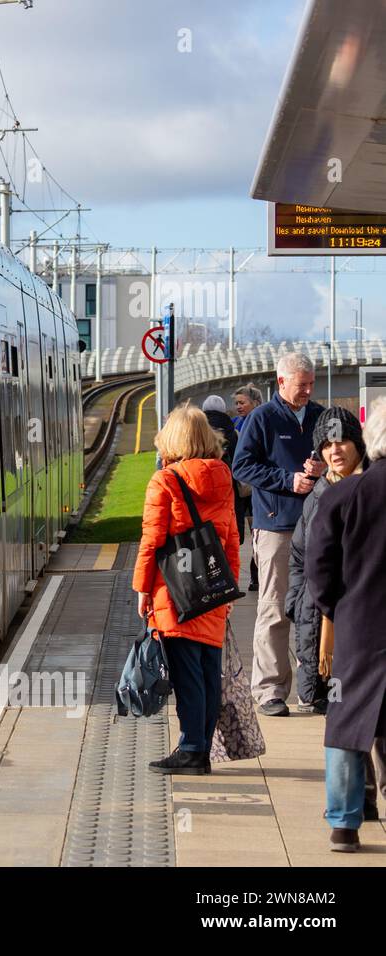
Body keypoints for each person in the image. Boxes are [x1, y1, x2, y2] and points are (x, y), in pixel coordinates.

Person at [134, 406, 240, 775]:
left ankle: (192, 749)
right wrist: (230, 587)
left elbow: (151, 542)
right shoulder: (223, 476)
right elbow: (231, 538)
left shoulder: (164, 481)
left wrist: (142, 590)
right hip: (213, 583)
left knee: (187, 674)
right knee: (207, 671)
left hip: (174, 589)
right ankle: (202, 747)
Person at [304, 397, 386, 852]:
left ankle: (343, 823)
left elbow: (318, 569)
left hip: (357, 627)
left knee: (345, 723)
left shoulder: (341, 495)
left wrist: (337, 608)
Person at [231, 352, 325, 716]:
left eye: (311, 384)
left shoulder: (320, 416)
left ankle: (313, 687)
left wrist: (322, 466)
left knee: (316, 609)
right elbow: (242, 465)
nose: (307, 390)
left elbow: (344, 455)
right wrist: (288, 480)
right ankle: (270, 689)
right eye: (301, 384)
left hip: (319, 524)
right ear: (281, 381)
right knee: (275, 608)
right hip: (276, 526)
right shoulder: (261, 418)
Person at [285, 407, 365, 716]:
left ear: (358, 443)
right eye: (327, 445)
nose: (335, 451)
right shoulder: (318, 494)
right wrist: (295, 600)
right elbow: (298, 554)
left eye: (342, 441)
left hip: (356, 617)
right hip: (315, 617)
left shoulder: (370, 490)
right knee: (328, 711)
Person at [233, 384, 265, 590]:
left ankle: (256, 576)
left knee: (257, 533)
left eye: (242, 403)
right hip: (239, 486)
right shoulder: (235, 423)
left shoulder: (263, 423)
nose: (238, 407)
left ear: (255, 403)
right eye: (236, 403)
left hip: (254, 487)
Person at [201, 395, 238, 466]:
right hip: (225, 472)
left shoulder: (198, 428)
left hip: (202, 471)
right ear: (223, 409)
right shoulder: (232, 431)